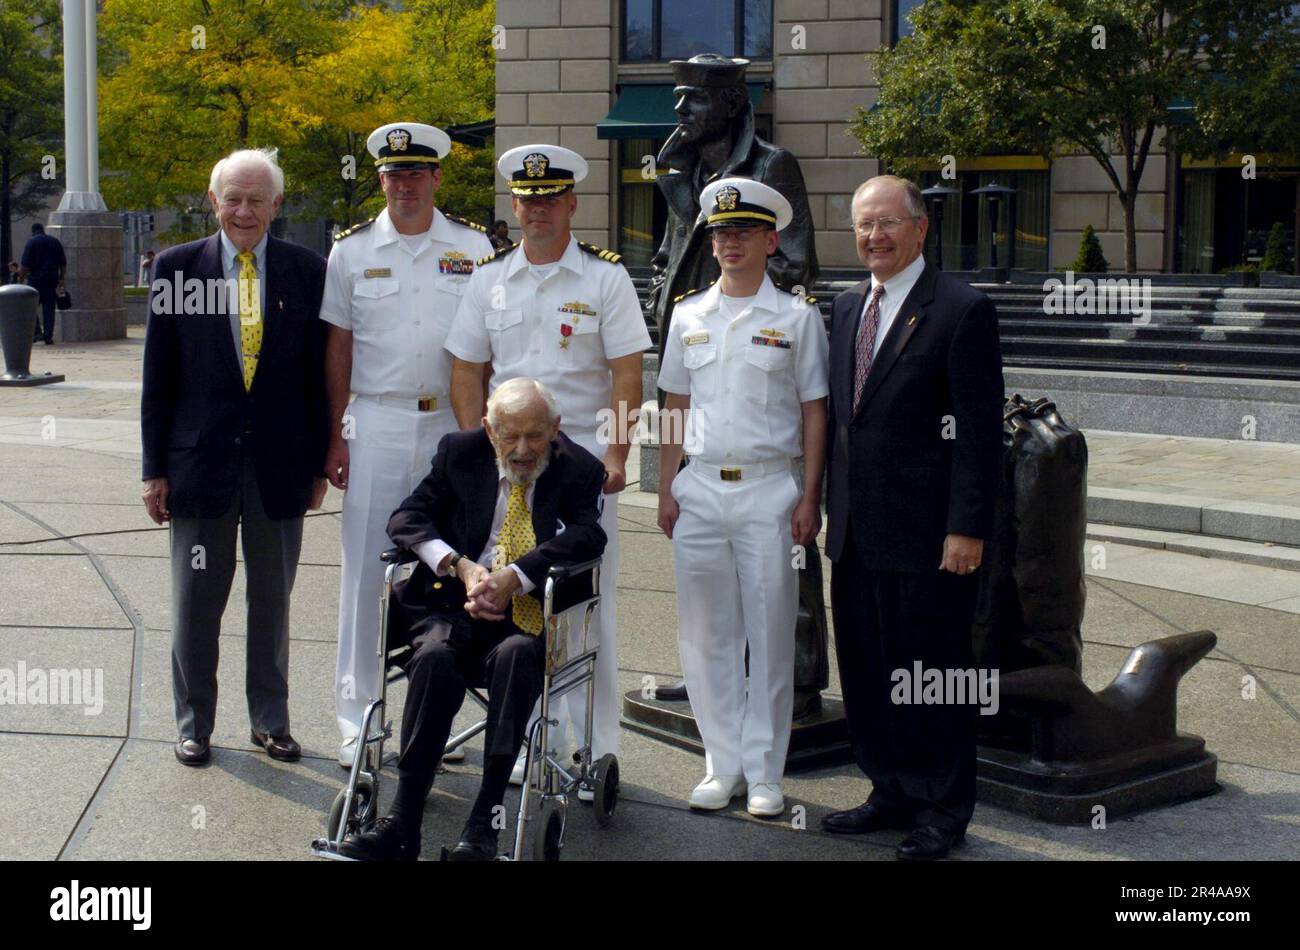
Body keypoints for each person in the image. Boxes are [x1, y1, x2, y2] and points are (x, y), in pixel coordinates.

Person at [447, 144, 650, 787]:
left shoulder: (604, 279)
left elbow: (626, 373)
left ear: (571, 204)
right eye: (526, 200)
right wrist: (476, 449)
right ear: (515, 205)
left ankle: (580, 742)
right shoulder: (488, 278)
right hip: (509, 458)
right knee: (509, 593)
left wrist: (617, 453)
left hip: (579, 460)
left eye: (549, 199)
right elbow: (465, 369)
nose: (538, 210)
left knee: (583, 601)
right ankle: (514, 735)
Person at [338, 378, 608, 861]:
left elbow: (589, 537)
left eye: (535, 436)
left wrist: (517, 576)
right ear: (489, 430)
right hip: (448, 606)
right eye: (510, 436)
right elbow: (406, 518)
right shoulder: (458, 453)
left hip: (523, 619)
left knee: (518, 657)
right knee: (436, 658)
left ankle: (482, 824)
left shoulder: (579, 470)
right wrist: (459, 565)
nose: (523, 450)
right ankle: (402, 823)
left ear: (556, 429)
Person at [821, 175, 1003, 860]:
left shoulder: (961, 310)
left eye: (888, 223)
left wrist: (968, 528)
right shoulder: (844, 308)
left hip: (931, 538)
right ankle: (888, 788)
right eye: (864, 224)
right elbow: (848, 421)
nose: (874, 237)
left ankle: (941, 808)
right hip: (857, 535)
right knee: (867, 672)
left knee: (933, 676)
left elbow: (980, 436)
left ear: (920, 229)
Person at [643, 52, 828, 712]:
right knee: (701, 538)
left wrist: (740, 315)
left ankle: (797, 677)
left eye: (692, 100)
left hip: (755, 368)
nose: (679, 112)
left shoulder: (773, 168)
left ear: (728, 104)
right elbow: (670, 254)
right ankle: (710, 672)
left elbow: (800, 266)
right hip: (691, 364)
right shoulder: (683, 170)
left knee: (782, 542)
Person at [140, 147, 329, 766]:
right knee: (196, 603)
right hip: (199, 468)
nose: (243, 211)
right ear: (213, 198)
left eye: (256, 199)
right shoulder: (176, 269)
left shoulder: (307, 272)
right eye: (232, 198)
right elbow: (158, 380)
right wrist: (153, 470)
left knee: (271, 603)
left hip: (279, 468)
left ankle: (270, 721)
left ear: (277, 203)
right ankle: (195, 723)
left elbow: (317, 377)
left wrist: (321, 461)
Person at [321, 122, 494, 768]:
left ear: (437, 177)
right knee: (367, 575)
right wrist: (334, 433)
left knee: (446, 574)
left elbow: (484, 349)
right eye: (394, 174)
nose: (405, 184)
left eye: (416, 173)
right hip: (376, 423)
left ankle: (434, 717)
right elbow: (337, 350)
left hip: (451, 429)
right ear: (380, 179)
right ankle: (356, 719)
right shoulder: (351, 252)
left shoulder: (474, 249)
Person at [656, 178, 828, 817]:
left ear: (770, 240)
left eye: (744, 232)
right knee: (706, 636)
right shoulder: (688, 314)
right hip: (700, 487)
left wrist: (809, 495)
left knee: (771, 633)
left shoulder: (795, 317)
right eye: (722, 233)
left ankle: (764, 772)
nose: (730, 242)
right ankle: (720, 763)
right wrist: (668, 484)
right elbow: (674, 402)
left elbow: (815, 410)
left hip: (767, 492)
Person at [19, 223, 66, 344]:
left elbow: (24, 266)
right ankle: (48, 336)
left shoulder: (31, 243)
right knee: (49, 309)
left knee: (30, 307)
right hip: (51, 280)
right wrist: (61, 279)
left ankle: (37, 333)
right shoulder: (55, 242)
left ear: (33, 231)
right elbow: (63, 264)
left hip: (35, 280)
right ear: (43, 230)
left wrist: (20, 281)